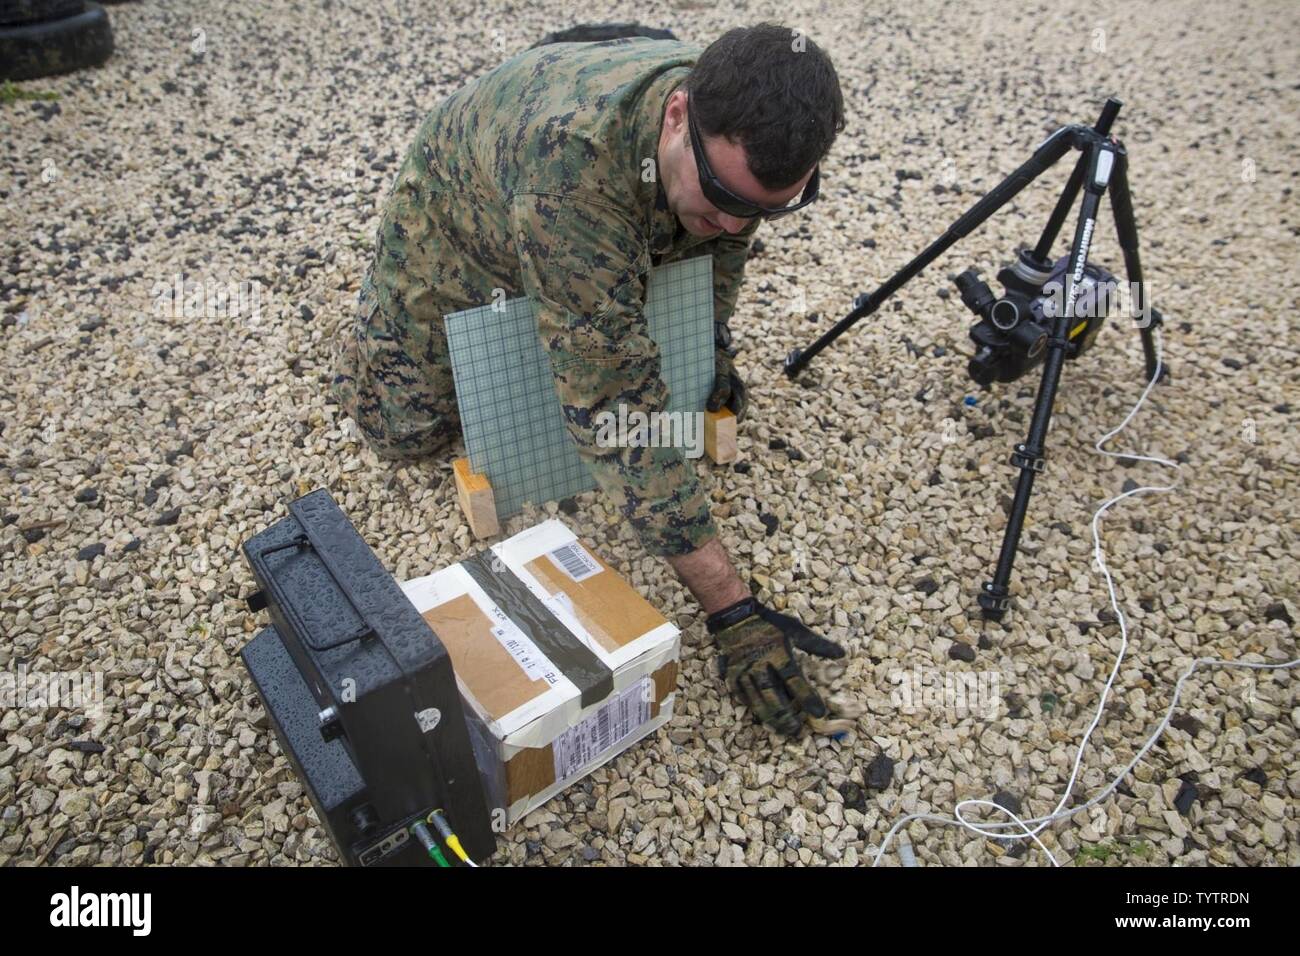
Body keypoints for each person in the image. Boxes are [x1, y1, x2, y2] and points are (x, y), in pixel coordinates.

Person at [332, 23, 851, 738]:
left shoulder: (728, 141)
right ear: (678, 115)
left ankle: (591, 291)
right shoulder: (571, 165)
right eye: (725, 195)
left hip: (599, 190)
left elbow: (721, 254)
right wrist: (731, 607)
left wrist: (710, 342)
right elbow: (618, 418)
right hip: (461, 221)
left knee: (643, 290)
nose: (734, 224)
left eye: (764, 208)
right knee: (399, 428)